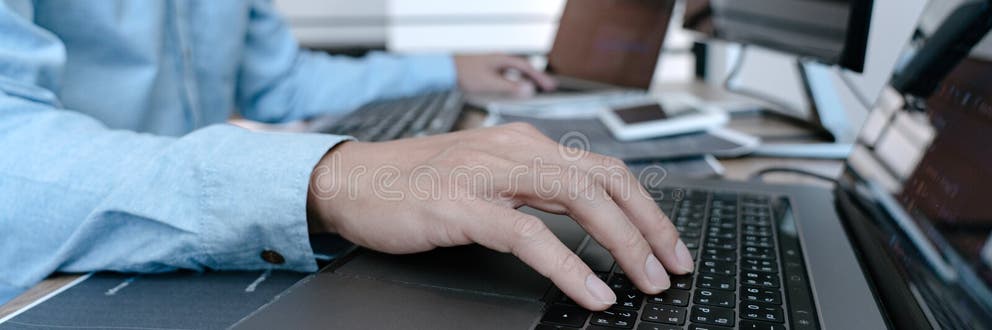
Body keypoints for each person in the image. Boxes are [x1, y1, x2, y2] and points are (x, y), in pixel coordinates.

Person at [0, 0, 693, 312]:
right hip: (65, 274)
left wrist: (452, 68)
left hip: (197, 250)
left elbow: (280, 80)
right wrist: (329, 178)